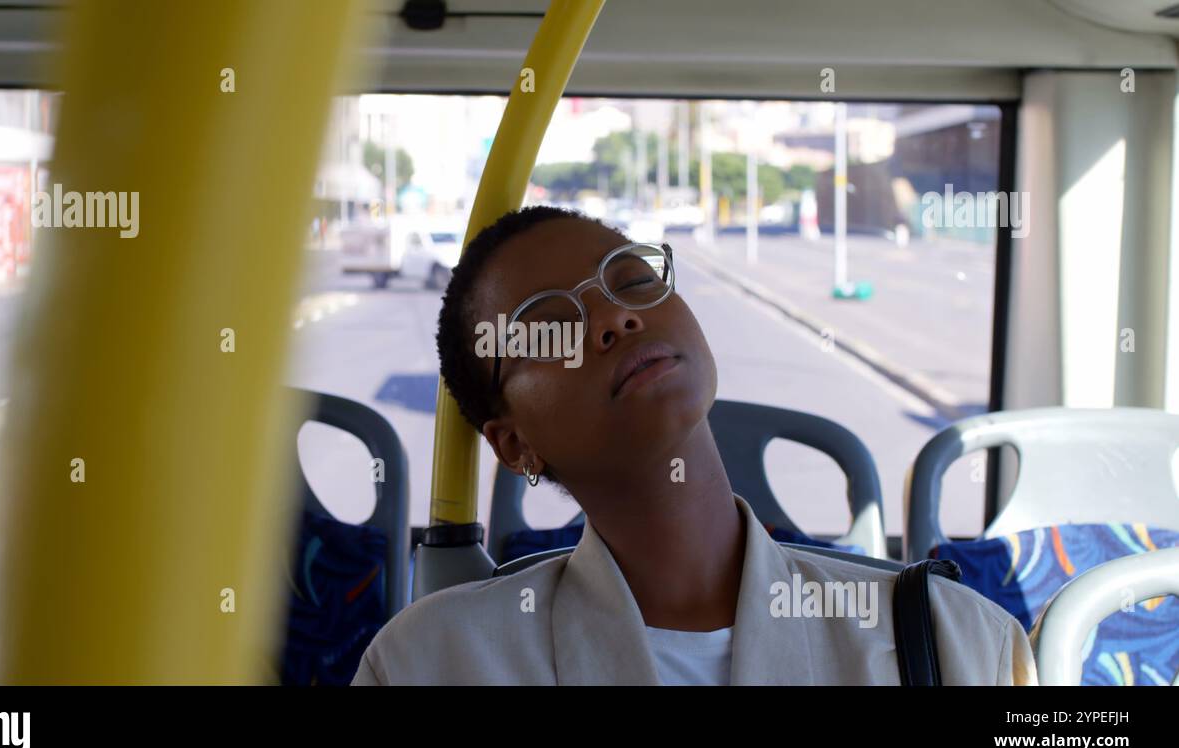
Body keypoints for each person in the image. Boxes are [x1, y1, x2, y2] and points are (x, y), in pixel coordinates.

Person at [352, 205, 1035, 686]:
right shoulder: (429, 662)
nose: (615, 317)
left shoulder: (956, 641)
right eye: (551, 324)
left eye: (635, 279)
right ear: (514, 443)